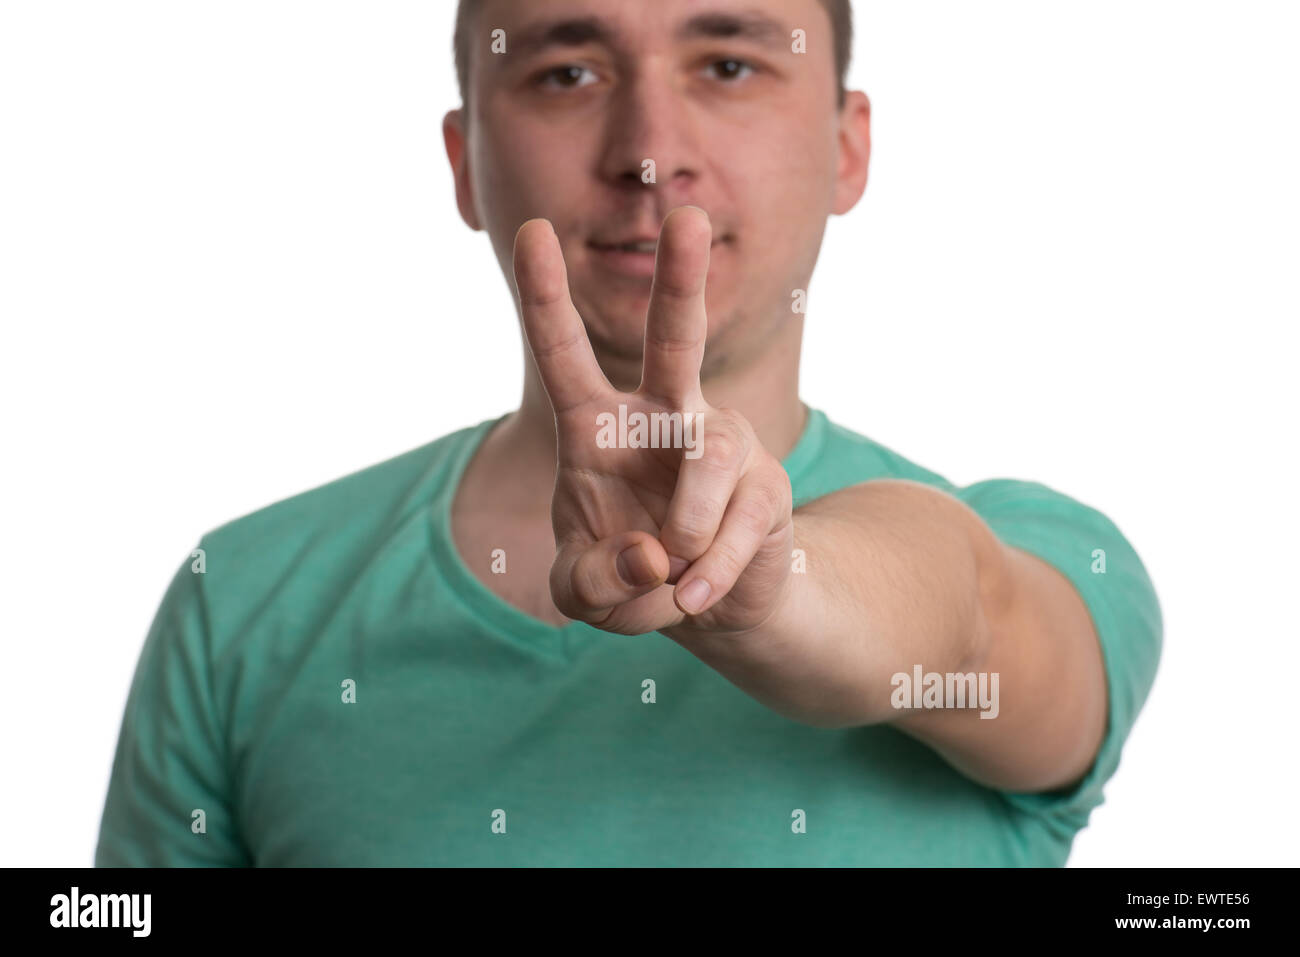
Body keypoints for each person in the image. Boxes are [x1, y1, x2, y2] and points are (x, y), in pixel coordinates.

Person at [95, 0, 1162, 867]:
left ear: (848, 148)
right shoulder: (237, 600)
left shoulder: (1053, 559)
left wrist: (775, 588)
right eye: (567, 71)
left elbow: (969, 610)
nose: (651, 154)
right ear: (465, 162)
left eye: (730, 63)